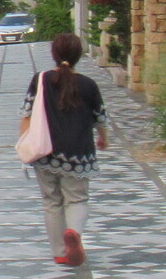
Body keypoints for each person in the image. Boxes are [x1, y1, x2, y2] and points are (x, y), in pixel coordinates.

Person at [18, 32, 109, 267]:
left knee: (52, 201)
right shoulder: (89, 84)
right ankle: (74, 233)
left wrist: (25, 142)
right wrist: (103, 139)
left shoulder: (41, 79)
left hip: (45, 151)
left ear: (53, 54)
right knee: (77, 199)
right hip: (79, 152)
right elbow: (100, 118)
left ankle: (59, 252)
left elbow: (26, 113)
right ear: (79, 55)